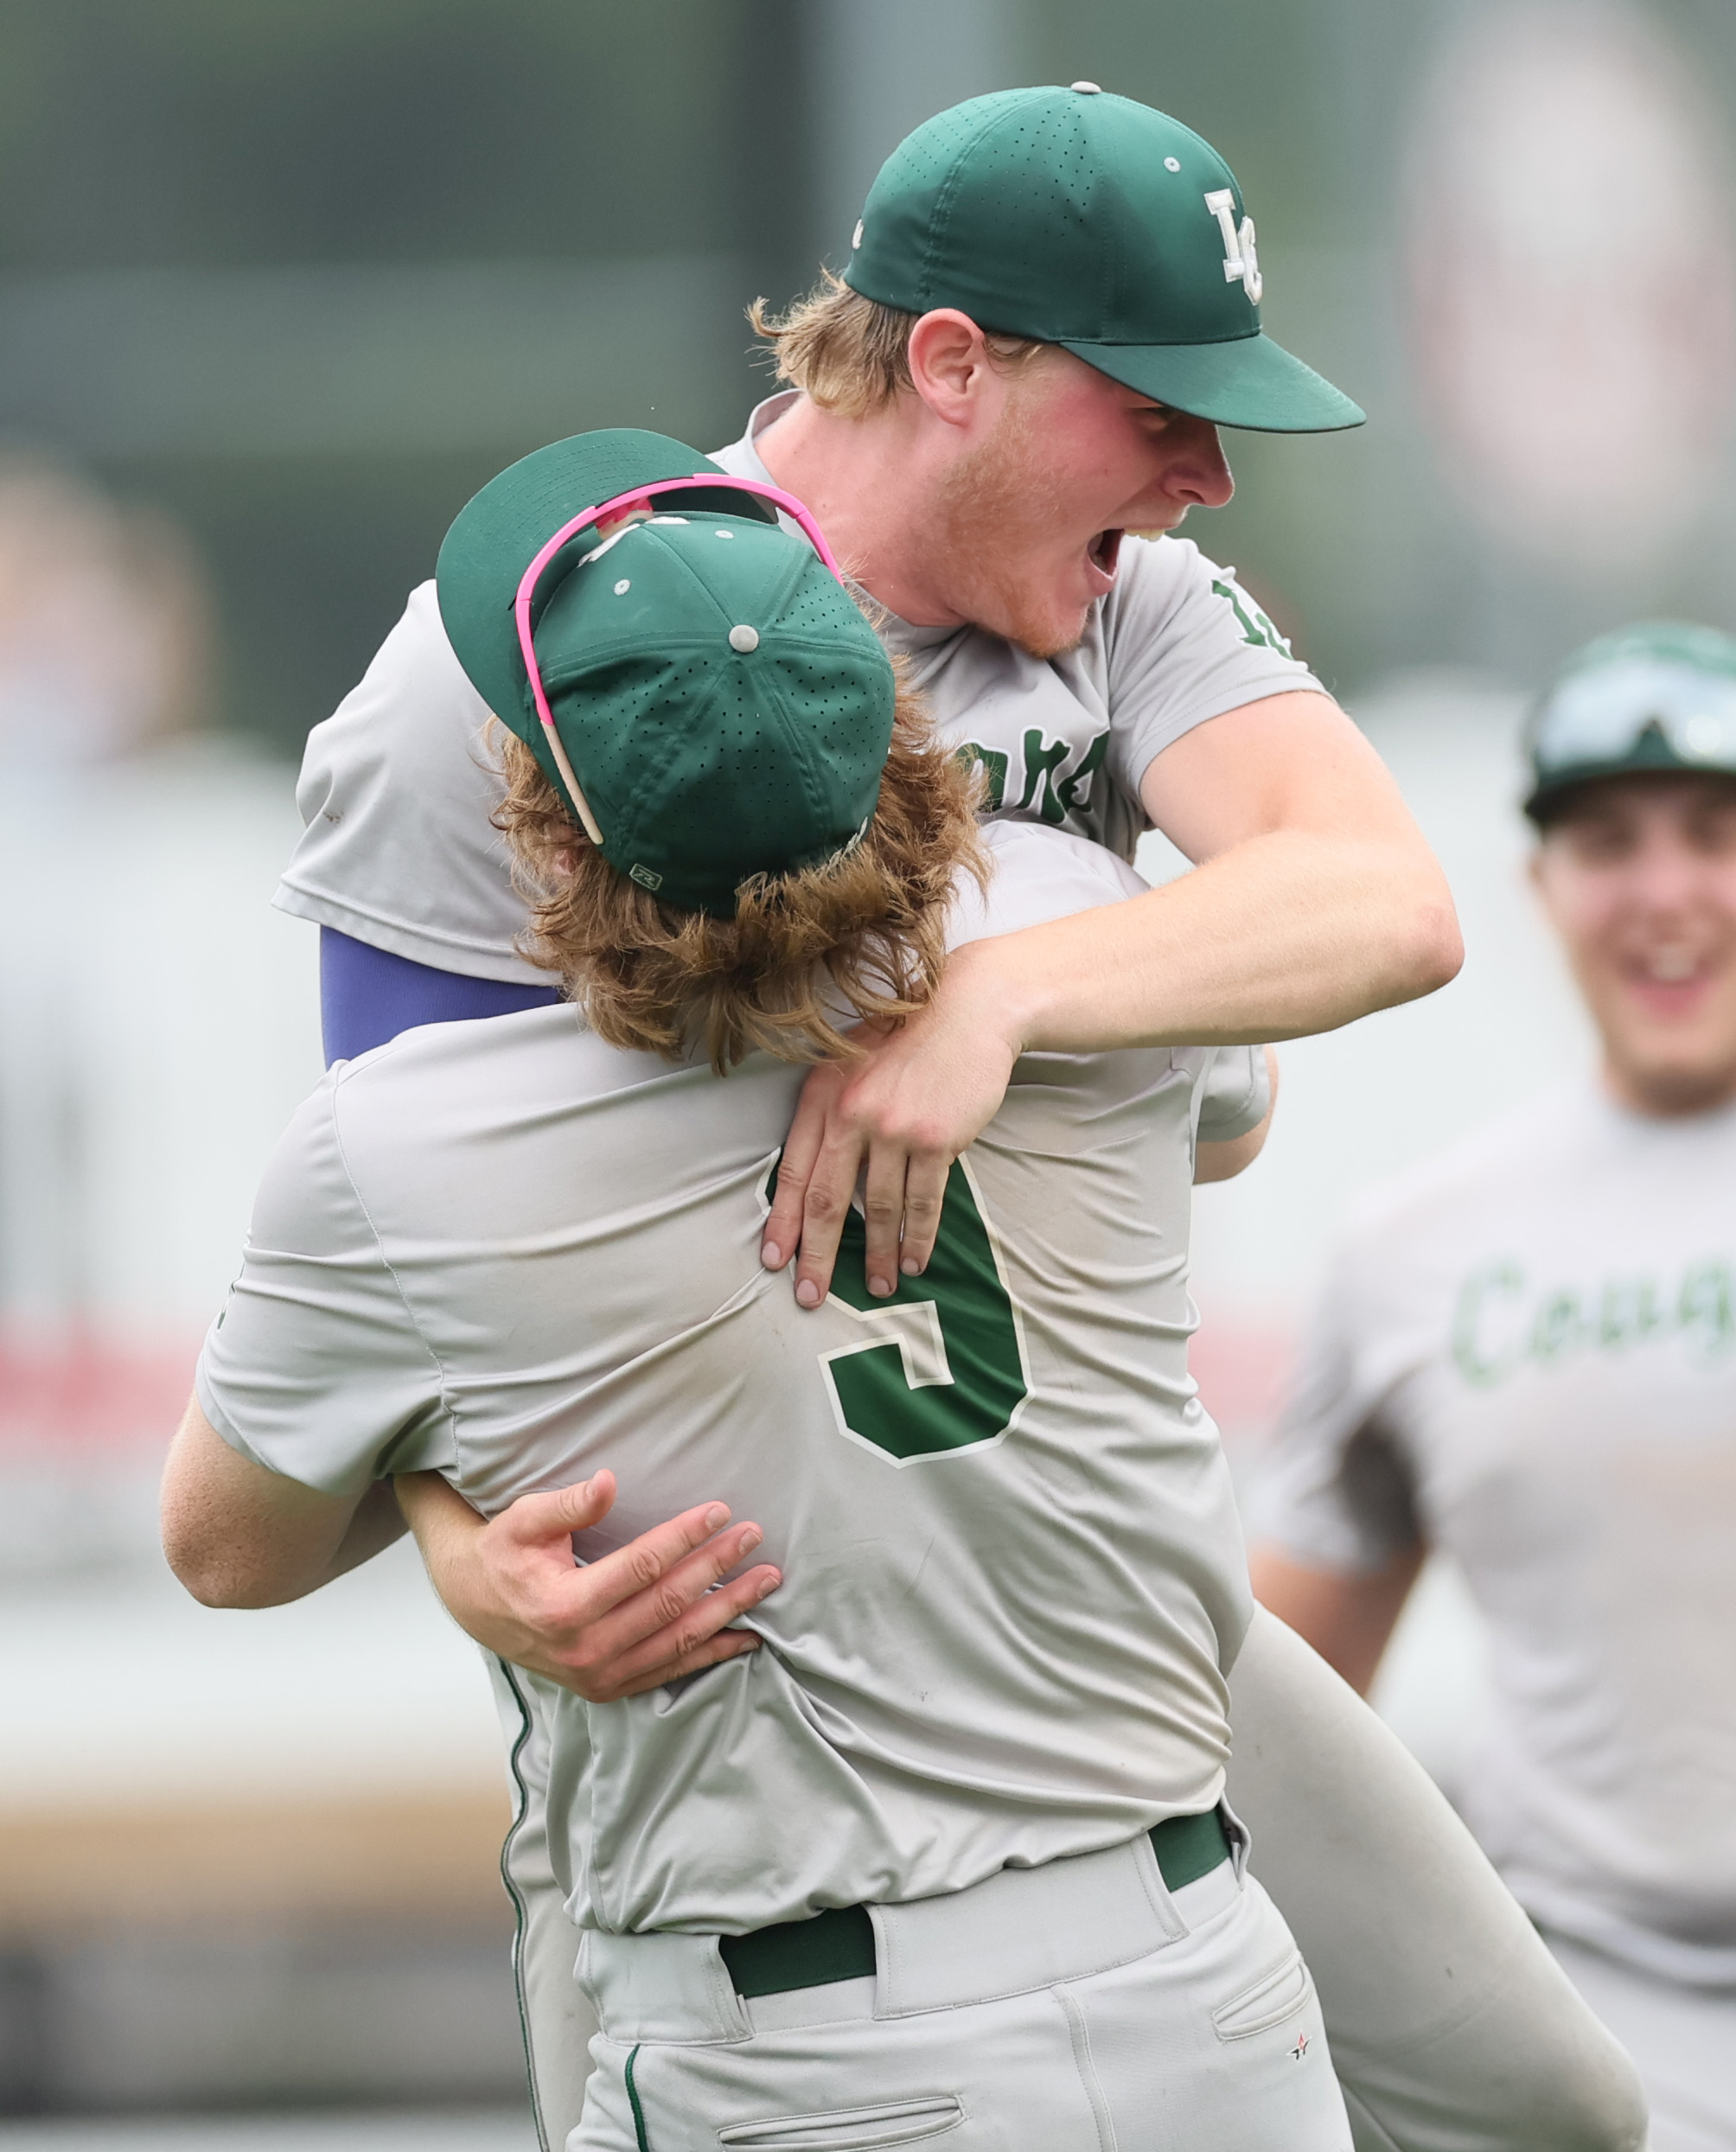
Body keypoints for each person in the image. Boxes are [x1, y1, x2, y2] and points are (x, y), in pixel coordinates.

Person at [165, 429, 1359, 2150]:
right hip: (1207, 1998)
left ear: (550, 838)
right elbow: (1232, 1120)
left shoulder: (403, 1151)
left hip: (807, 2053)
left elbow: (225, 1550)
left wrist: (440, 1515)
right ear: (890, 738)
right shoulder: (1080, 925)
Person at [1251, 621, 1736, 2152]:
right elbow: (1282, 1726)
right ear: (1540, 885)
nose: (1667, 892)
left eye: (1717, 832)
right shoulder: (1415, 1251)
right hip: (1586, 2055)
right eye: (1608, 842)